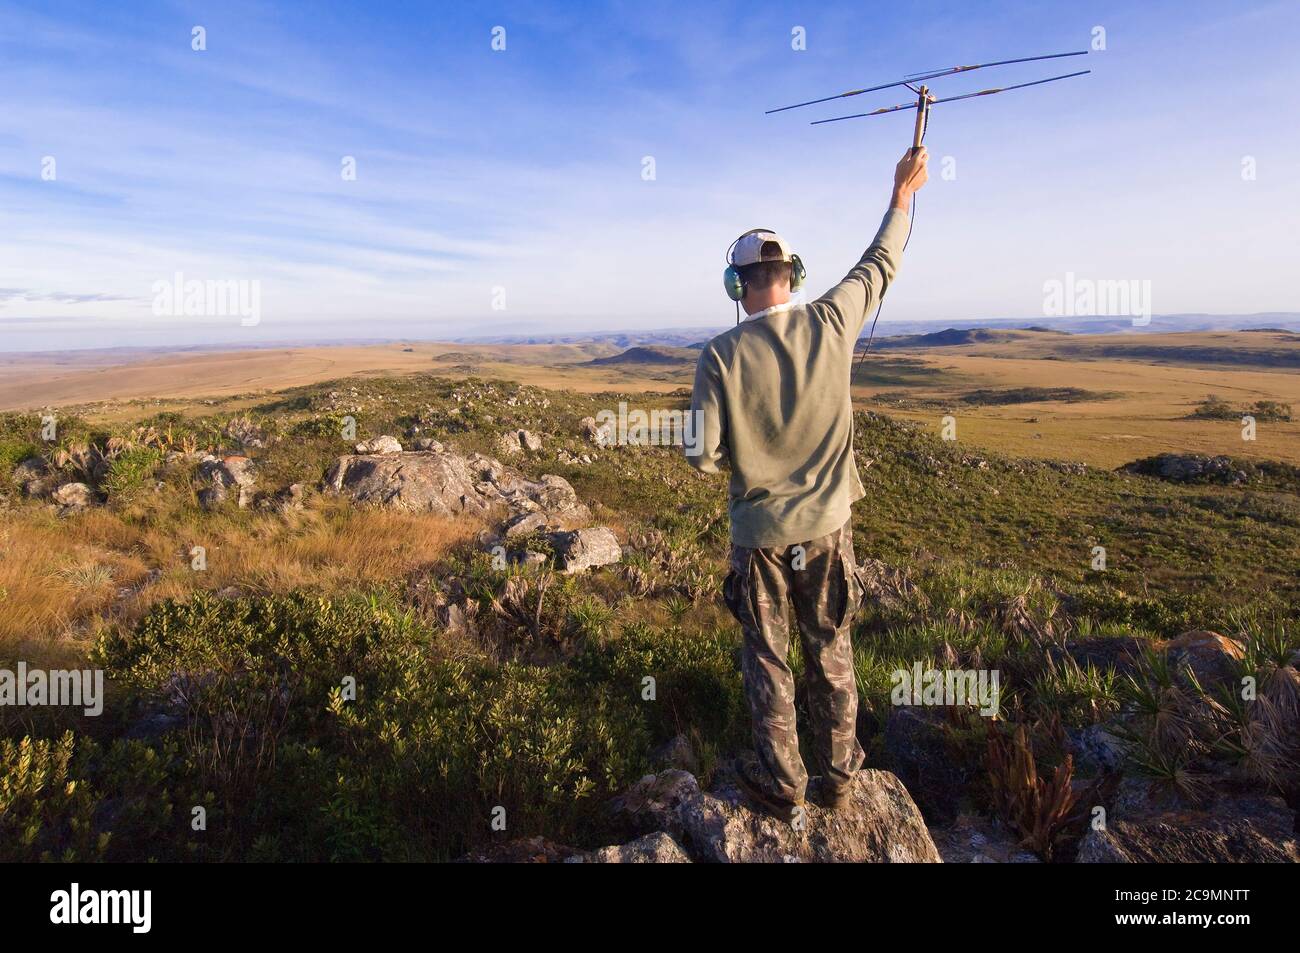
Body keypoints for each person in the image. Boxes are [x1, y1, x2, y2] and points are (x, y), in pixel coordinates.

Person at [686, 146, 929, 819]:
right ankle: (841, 778)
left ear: (737, 285)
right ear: (793, 274)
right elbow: (880, 263)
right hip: (827, 527)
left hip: (758, 536)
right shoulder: (833, 319)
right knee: (832, 648)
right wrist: (901, 193)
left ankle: (783, 781)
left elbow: (702, 458)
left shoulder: (718, 357)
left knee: (768, 656)